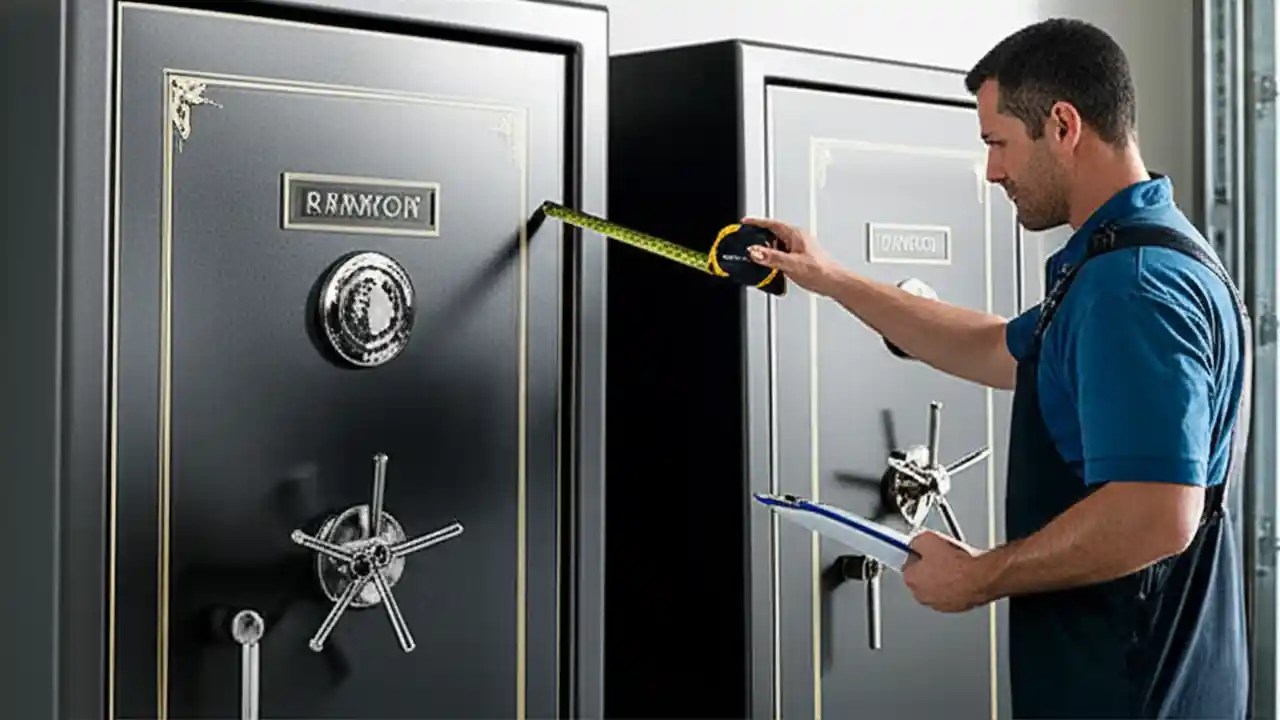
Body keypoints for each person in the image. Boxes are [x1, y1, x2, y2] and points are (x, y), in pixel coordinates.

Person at [743, 18, 1251, 720]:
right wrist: (833, 279)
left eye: (998, 143)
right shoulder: (1137, 255)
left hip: (1132, 692)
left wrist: (981, 576)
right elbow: (996, 349)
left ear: (1063, 125)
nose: (992, 171)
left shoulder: (1129, 287)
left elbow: (1158, 513)